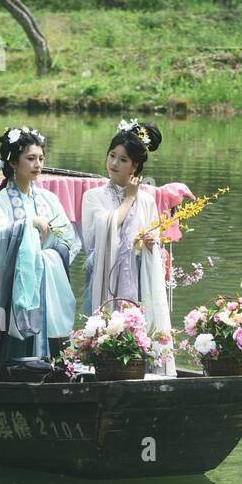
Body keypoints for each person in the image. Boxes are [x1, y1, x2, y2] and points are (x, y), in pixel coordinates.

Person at [0, 127, 77, 380]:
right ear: (13, 162)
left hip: (48, 282)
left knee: (53, 342)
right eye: (30, 159)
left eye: (41, 159)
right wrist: (27, 225)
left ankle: (55, 378)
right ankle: (11, 381)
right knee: (15, 338)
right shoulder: (1, 202)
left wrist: (46, 257)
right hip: (17, 286)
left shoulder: (48, 199)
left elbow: (68, 238)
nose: (37, 164)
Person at [79, 119, 174, 373]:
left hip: (137, 278)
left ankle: (138, 365)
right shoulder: (93, 196)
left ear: (135, 166)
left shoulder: (147, 200)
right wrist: (128, 199)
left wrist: (151, 244)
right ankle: (99, 367)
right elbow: (97, 235)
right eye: (112, 156)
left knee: (137, 324)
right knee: (99, 327)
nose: (114, 164)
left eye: (122, 160)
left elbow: (153, 240)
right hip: (102, 276)